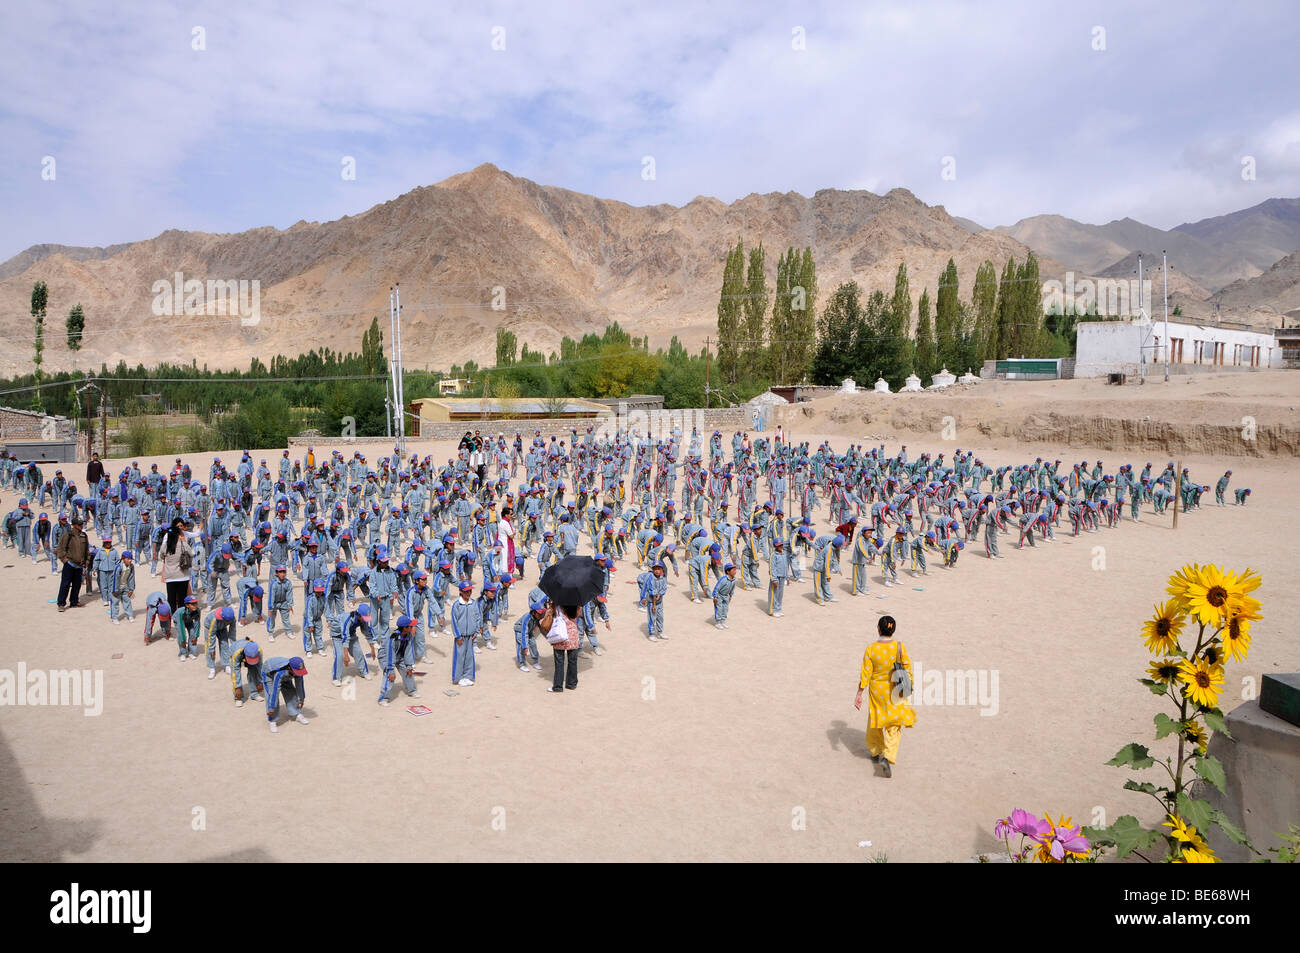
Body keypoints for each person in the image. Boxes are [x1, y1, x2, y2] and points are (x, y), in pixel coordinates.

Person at [853, 615, 915, 778]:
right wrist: (910, 685)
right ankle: (888, 756)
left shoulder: (871, 649)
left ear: (878, 629)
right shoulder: (900, 647)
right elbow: (907, 667)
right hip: (895, 690)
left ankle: (875, 750)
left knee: (875, 719)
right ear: (893, 630)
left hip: (877, 691)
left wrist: (859, 693)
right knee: (894, 725)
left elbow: (866, 673)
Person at [262, 656, 309, 734]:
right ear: (290, 668)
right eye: (296, 672)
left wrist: (301, 699)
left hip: (287, 674)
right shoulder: (280, 673)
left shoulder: (298, 669)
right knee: (271, 695)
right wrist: (271, 708)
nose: (299, 674)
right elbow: (275, 691)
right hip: (269, 673)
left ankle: (296, 713)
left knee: (291, 692)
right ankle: (272, 720)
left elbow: (300, 685)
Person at [540, 602, 580, 693]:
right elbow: (578, 615)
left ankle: (558, 686)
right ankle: (571, 684)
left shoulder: (556, 603)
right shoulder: (576, 603)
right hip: (573, 635)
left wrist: (551, 605)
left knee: (559, 662)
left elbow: (548, 614)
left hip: (560, 634)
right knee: (573, 661)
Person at [55, 515, 90, 612]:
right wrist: (65, 561)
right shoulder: (68, 535)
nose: (81, 526)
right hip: (70, 564)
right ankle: (61, 603)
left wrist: (87, 561)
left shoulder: (84, 535)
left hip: (79, 565)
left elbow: (87, 550)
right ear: (74, 525)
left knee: (77, 584)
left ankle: (74, 601)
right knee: (65, 584)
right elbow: (61, 549)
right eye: (79, 524)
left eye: (81, 524)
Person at [158, 517, 193, 612]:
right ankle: (181, 618)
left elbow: (161, 556)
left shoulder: (165, 546)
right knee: (182, 600)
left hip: (170, 576)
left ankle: (173, 617)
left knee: (171, 599)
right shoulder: (182, 544)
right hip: (183, 575)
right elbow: (191, 554)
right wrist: (183, 542)